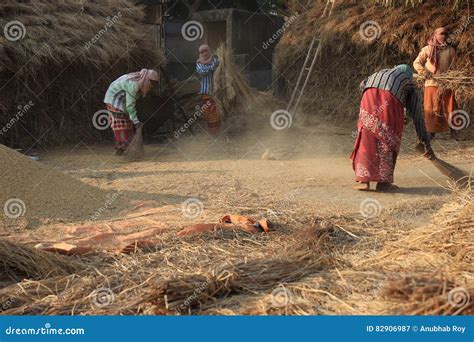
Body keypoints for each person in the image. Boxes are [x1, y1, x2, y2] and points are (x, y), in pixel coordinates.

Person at [350, 64, 435, 192]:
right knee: (387, 138)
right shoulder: (409, 84)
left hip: (368, 96)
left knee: (366, 138)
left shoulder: (380, 72)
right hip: (389, 101)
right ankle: (383, 183)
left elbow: (363, 84)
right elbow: (417, 115)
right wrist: (425, 142)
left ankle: (364, 181)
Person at [413, 27, 457, 139]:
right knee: (432, 108)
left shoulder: (450, 50)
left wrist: (451, 76)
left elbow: (453, 67)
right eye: (441, 34)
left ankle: (454, 132)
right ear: (435, 35)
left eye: (446, 34)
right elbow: (416, 63)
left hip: (446, 84)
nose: (444, 36)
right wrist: (424, 72)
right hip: (431, 83)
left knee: (450, 107)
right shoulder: (427, 49)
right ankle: (431, 133)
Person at [103, 69, 159, 155]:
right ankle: (121, 148)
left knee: (127, 123)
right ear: (146, 79)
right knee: (121, 123)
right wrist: (136, 122)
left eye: (154, 83)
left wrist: (134, 119)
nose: (152, 86)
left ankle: (124, 148)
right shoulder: (134, 85)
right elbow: (130, 105)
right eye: (152, 83)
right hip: (113, 100)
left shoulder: (138, 80)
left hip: (121, 102)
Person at [196, 45, 221, 135]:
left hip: (217, 92)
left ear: (209, 50)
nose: (204, 53)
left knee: (216, 112)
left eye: (205, 51)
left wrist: (211, 64)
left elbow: (217, 63)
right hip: (206, 93)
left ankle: (216, 133)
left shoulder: (215, 59)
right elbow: (203, 71)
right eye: (201, 52)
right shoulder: (198, 63)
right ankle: (213, 134)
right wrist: (211, 65)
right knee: (209, 114)